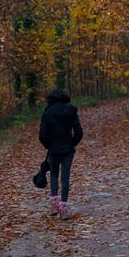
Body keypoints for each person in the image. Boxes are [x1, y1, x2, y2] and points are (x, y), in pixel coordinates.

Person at [38, 89, 83, 219]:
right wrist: (71, 143)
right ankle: (64, 210)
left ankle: (54, 206)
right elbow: (79, 132)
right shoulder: (71, 111)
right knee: (65, 177)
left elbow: (42, 136)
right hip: (68, 149)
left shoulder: (47, 113)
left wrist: (49, 145)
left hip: (53, 150)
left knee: (53, 174)